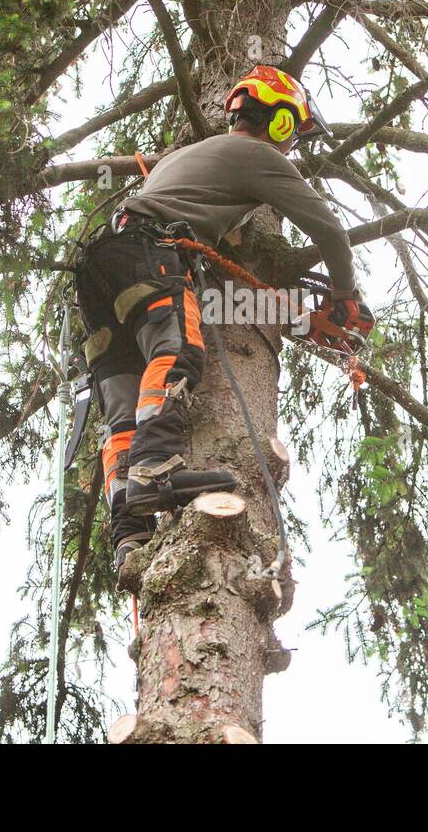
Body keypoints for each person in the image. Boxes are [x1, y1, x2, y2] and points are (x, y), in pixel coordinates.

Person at [74, 64, 371, 568]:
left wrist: (303, 319)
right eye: (292, 132)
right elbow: (329, 230)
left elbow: (224, 269)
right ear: (279, 123)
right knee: (179, 347)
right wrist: (344, 293)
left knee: (124, 403)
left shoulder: (187, 159)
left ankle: (130, 528)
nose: (292, 144)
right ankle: (153, 468)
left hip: (102, 267)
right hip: (150, 251)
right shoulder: (255, 154)